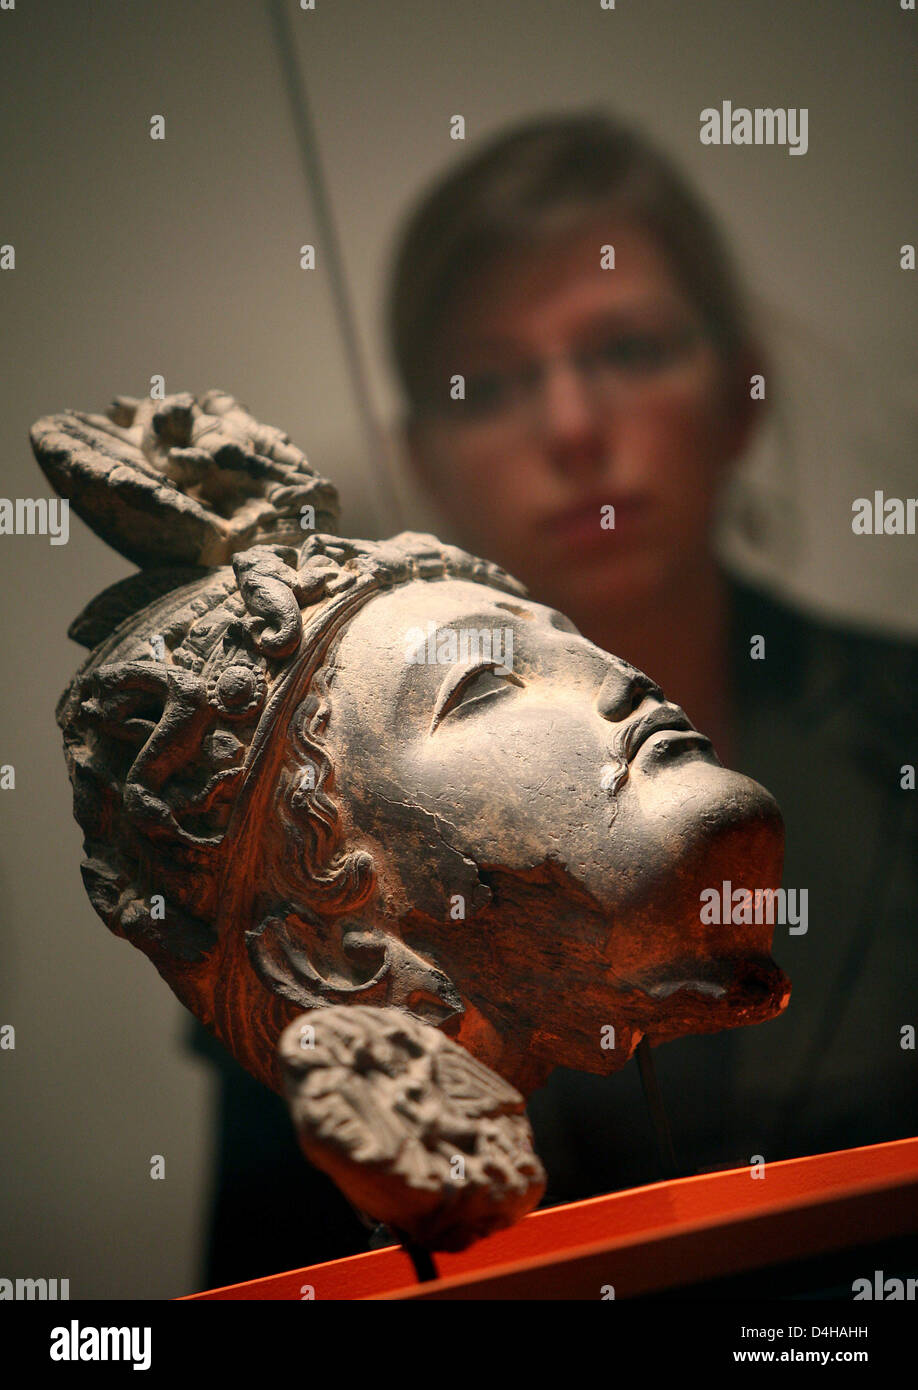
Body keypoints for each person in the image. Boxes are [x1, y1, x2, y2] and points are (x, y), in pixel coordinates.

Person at [190, 110, 918, 1288]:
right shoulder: (321, 858)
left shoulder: (909, 722)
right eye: (490, 385)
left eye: (627, 350)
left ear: (741, 396)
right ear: (424, 458)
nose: (574, 430)